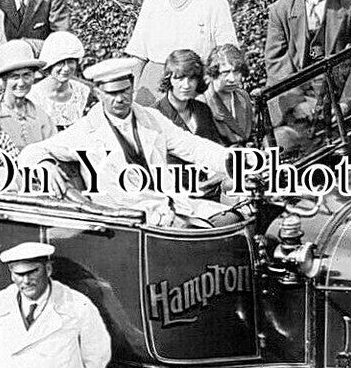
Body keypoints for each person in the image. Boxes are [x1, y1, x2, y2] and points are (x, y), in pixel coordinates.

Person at [19, 57, 234, 226]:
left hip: (172, 206)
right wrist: (44, 165)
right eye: (111, 93)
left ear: (132, 86)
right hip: (129, 222)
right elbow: (31, 153)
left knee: (235, 219)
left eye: (124, 91)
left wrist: (237, 162)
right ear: (97, 93)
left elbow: (193, 147)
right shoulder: (86, 130)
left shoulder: (151, 118)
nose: (119, 99)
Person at [125, 0, 238, 106]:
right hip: (156, 82)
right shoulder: (153, 0)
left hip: (197, 82)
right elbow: (138, 54)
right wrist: (133, 91)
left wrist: (218, 88)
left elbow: (227, 50)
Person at [0, 39, 55, 148]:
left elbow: (53, 149)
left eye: (26, 75)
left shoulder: (41, 115)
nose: (21, 83)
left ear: (33, 77)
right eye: (15, 77)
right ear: (4, 80)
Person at [154, 49, 223, 144]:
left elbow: (215, 148)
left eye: (192, 78)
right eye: (180, 78)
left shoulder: (203, 110)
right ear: (169, 79)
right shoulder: (153, 115)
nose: (186, 85)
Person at [29, 30, 90, 132]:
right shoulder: (33, 97)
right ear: (50, 65)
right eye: (60, 63)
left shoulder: (82, 92)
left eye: (70, 61)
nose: (66, 68)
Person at [202, 43, 253, 144]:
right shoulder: (202, 103)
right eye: (225, 73)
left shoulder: (243, 97)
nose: (232, 79)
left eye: (236, 72)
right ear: (213, 73)